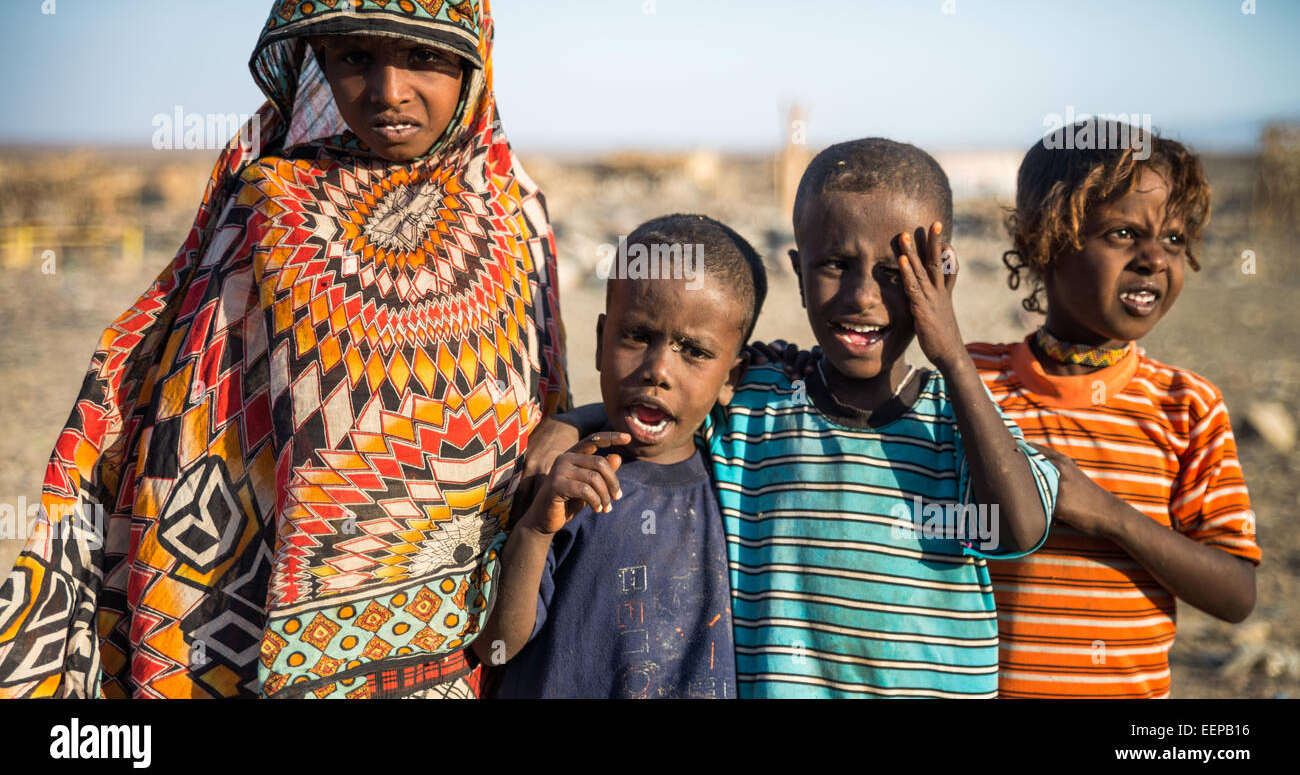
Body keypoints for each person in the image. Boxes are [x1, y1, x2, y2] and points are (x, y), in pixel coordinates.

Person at [0, 0, 568, 699]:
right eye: (353, 56)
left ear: (474, 64)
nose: (387, 90)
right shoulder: (273, 205)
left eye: (423, 56)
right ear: (317, 63)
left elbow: (542, 408)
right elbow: (195, 420)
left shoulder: (517, 211)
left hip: (468, 644)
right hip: (278, 638)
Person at [532, 140, 1060, 697]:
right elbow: (669, 403)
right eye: (835, 265)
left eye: (892, 271)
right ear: (799, 272)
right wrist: (578, 422)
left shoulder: (962, 422)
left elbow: (1017, 528)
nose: (862, 296)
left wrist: (952, 353)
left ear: (939, 276)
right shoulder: (758, 396)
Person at [967, 121, 1259, 698]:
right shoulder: (971, 382)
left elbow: (1236, 594)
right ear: (1042, 243)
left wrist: (1108, 514)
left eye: (1174, 240)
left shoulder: (1187, 408)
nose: (1155, 259)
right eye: (1124, 233)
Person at [478, 215, 765, 698]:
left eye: (693, 351)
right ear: (599, 341)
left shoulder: (736, 484)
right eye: (637, 336)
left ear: (732, 378)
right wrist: (537, 529)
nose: (658, 370)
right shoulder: (567, 481)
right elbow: (497, 648)